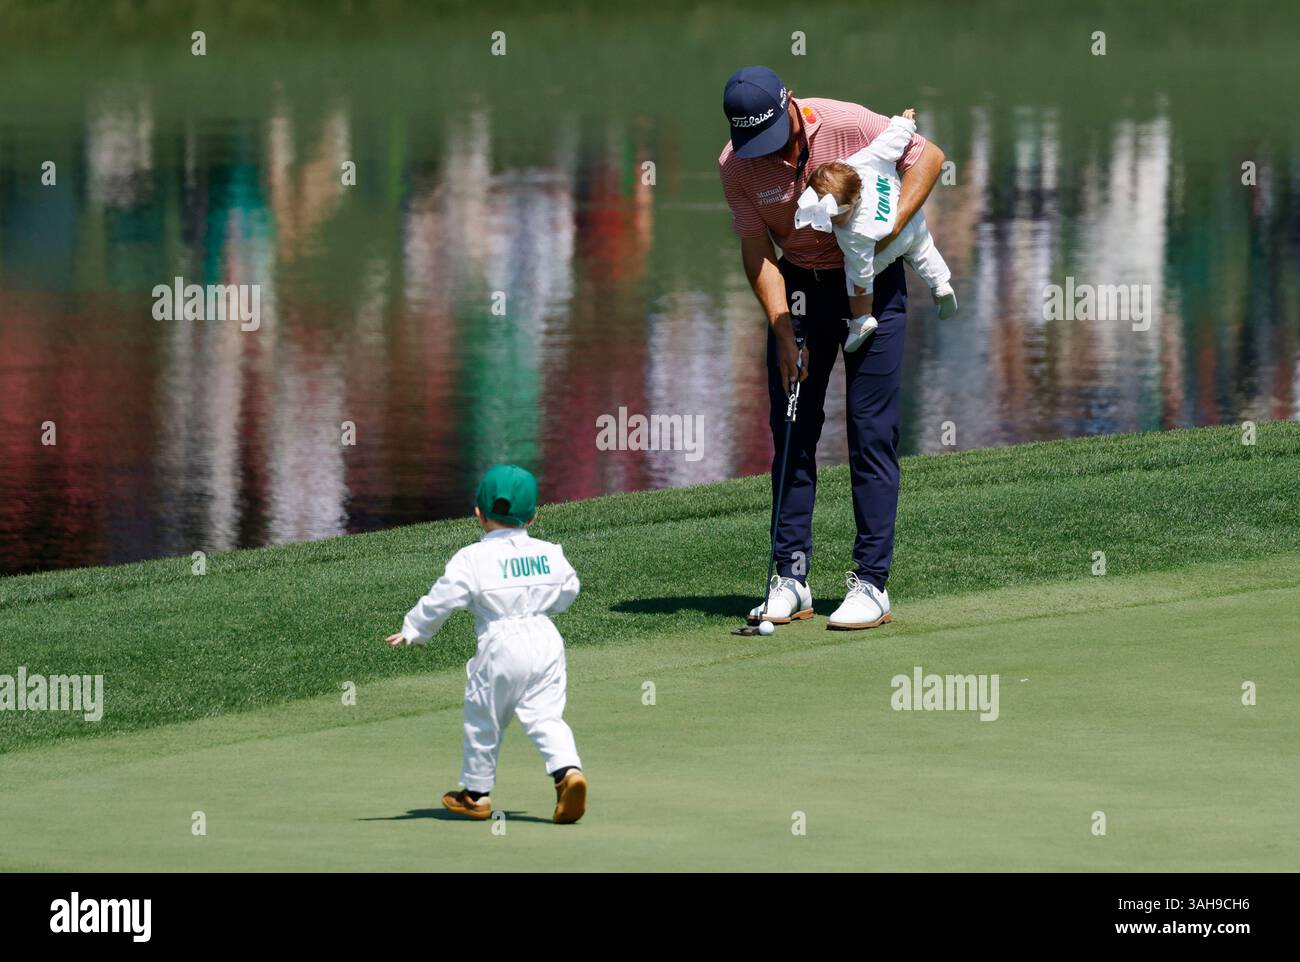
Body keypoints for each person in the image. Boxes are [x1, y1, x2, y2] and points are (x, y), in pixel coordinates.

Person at [718, 66, 946, 630]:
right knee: (793, 429)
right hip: (798, 292)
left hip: (872, 290)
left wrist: (888, 231)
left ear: (789, 103)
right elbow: (758, 249)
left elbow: (929, 158)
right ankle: (790, 578)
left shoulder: (845, 122)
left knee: (871, 432)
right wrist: (779, 330)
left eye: (781, 136)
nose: (776, 151)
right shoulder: (737, 165)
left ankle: (871, 583)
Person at [384, 464, 588, 824]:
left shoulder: (472, 558)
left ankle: (476, 794)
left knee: (484, 718)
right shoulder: (549, 552)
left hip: (500, 643)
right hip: (545, 639)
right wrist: (547, 605)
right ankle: (567, 772)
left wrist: (415, 628)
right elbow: (569, 589)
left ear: (478, 513)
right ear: (534, 516)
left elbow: (443, 598)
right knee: (545, 716)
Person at [798, 108, 957, 353]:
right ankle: (941, 284)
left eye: (836, 217)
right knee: (924, 250)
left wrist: (860, 297)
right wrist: (904, 123)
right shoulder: (864, 162)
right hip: (912, 221)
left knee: (856, 276)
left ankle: (862, 322)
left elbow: (861, 272)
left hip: (887, 242)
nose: (833, 223)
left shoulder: (855, 232)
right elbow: (890, 141)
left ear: (851, 205)